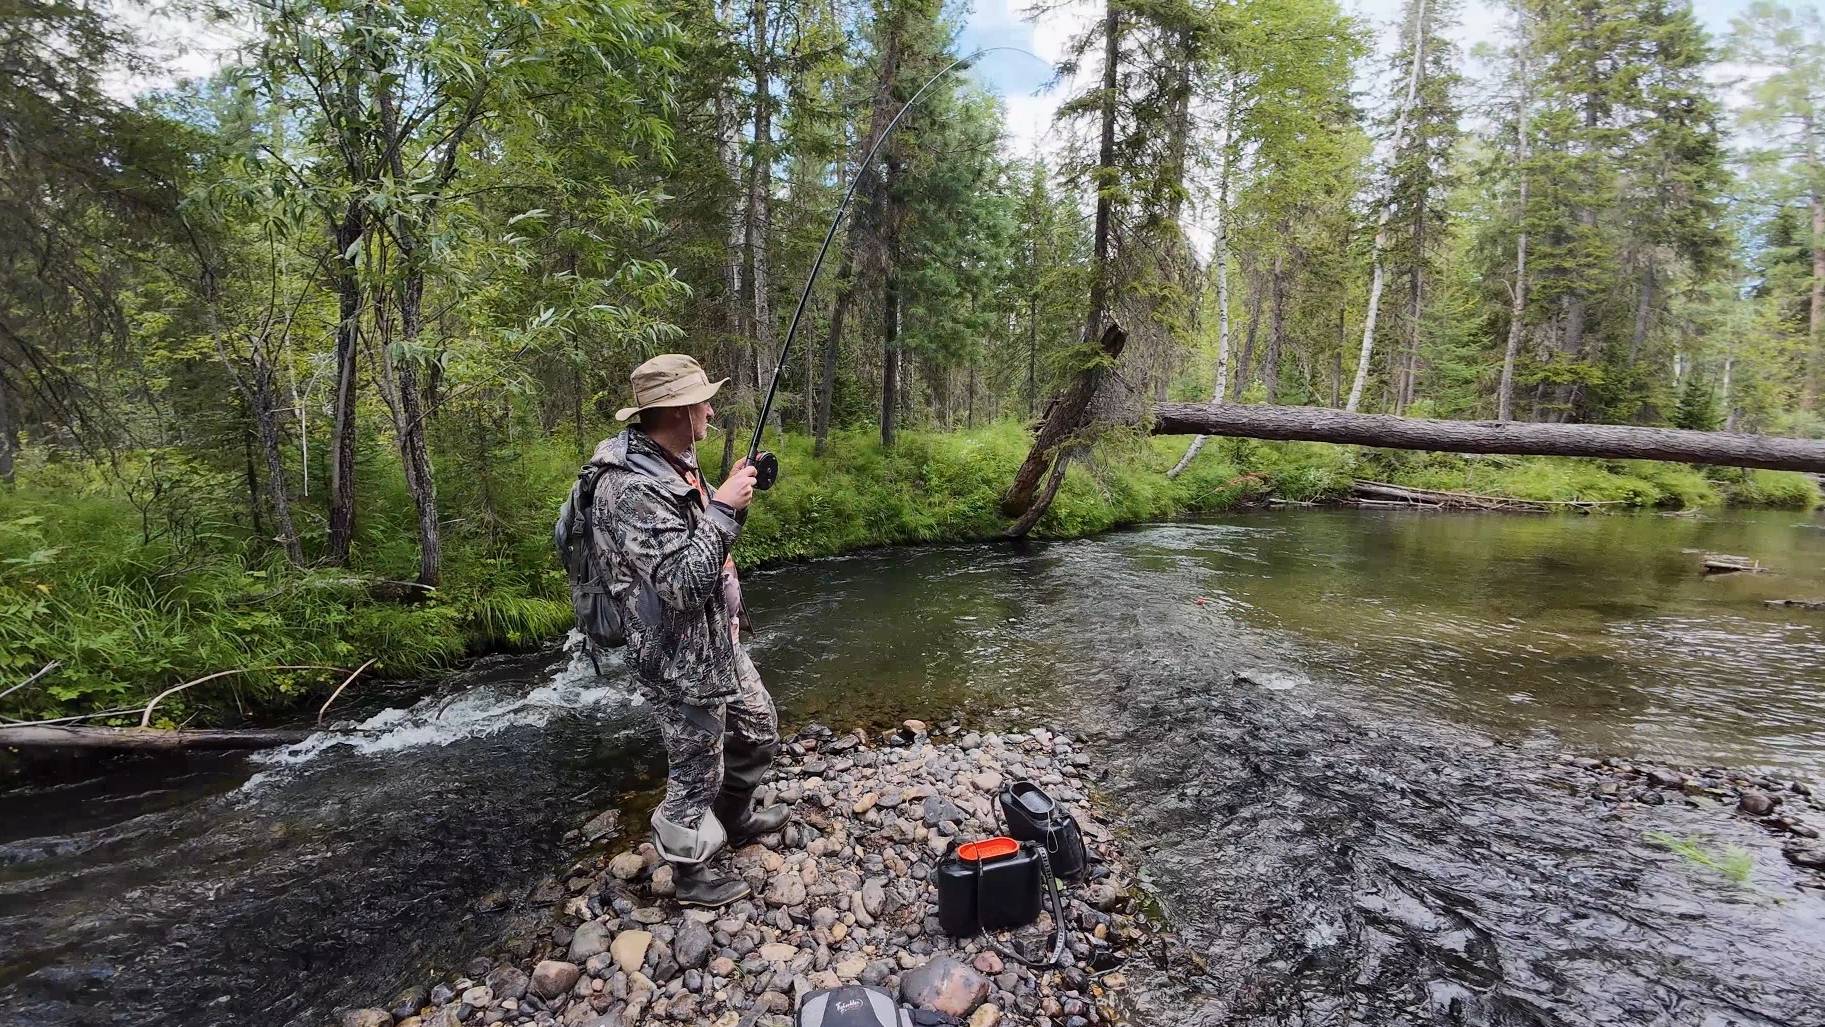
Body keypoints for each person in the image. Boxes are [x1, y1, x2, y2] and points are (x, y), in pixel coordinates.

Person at [589, 354, 787, 908]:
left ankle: (734, 820)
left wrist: (727, 497)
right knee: (697, 765)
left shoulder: (676, 457)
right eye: (702, 400)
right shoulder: (626, 488)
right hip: (673, 654)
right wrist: (724, 509)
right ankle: (690, 873)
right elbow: (677, 584)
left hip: (715, 638)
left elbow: (702, 545)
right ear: (675, 410)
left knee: (758, 728)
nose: (710, 408)